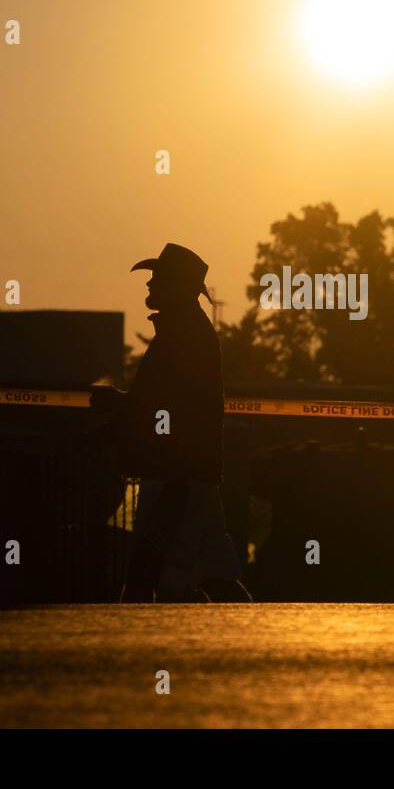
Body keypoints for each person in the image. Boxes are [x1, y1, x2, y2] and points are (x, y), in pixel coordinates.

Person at [92, 243, 251, 603]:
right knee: (214, 569)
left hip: (174, 473)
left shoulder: (182, 336)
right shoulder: (187, 332)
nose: (149, 285)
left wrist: (118, 410)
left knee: (154, 571)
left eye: (157, 278)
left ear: (176, 286)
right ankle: (246, 640)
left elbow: (168, 405)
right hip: (190, 472)